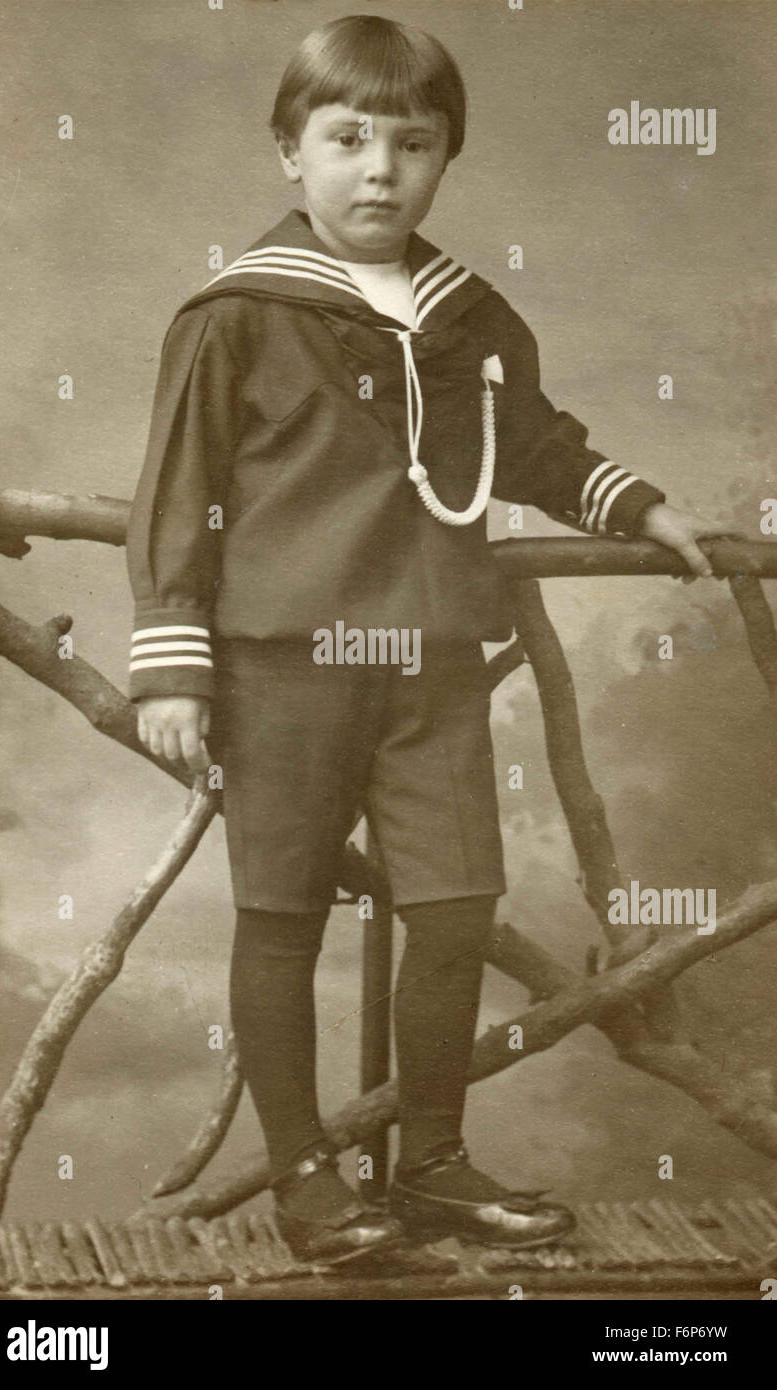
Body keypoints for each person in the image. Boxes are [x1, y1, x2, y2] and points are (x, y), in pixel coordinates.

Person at [125, 15, 726, 1264]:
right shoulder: (236, 315)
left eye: (413, 142)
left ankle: (435, 1161)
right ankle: (307, 1179)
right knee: (280, 914)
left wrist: (641, 504)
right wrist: (175, 662)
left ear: (447, 157)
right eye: (346, 139)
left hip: (435, 660)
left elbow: (536, 444)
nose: (379, 170)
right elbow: (177, 493)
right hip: (284, 662)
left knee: (455, 910)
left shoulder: (469, 316)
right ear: (290, 150)